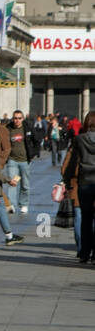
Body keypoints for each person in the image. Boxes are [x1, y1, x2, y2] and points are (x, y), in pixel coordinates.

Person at [66, 111, 95, 264]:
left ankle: (84, 252)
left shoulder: (79, 139)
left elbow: (73, 162)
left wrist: (67, 181)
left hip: (84, 181)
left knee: (86, 218)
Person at [2, 110, 34, 214]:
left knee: (25, 184)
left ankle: (24, 204)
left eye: (19, 118)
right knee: (13, 183)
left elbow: (36, 139)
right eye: (15, 118)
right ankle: (11, 205)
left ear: (22, 118)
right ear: (12, 118)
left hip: (25, 161)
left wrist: (33, 153)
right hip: (12, 161)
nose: (17, 120)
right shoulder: (8, 128)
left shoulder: (27, 127)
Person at [60, 118, 85, 257]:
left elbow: (65, 167)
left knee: (79, 217)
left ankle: (82, 249)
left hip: (76, 185)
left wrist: (67, 180)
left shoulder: (76, 143)